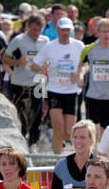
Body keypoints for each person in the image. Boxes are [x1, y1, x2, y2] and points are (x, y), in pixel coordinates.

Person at [32, 17, 82, 154]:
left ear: (71, 30)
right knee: (58, 126)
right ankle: (57, 157)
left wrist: (80, 74)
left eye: (68, 30)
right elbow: (34, 65)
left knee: (69, 131)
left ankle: (62, 148)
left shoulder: (78, 46)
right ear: (57, 30)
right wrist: (42, 69)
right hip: (54, 90)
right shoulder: (49, 46)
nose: (65, 32)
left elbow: (86, 64)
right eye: (62, 30)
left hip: (72, 91)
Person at [1, 14, 46, 149]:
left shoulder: (45, 41)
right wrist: (17, 62)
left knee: (37, 113)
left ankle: (33, 144)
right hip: (19, 82)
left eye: (39, 30)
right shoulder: (18, 40)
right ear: (27, 26)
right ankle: (21, 142)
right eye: (34, 30)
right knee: (22, 114)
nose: (36, 33)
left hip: (39, 82)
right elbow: (4, 59)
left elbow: (49, 58)